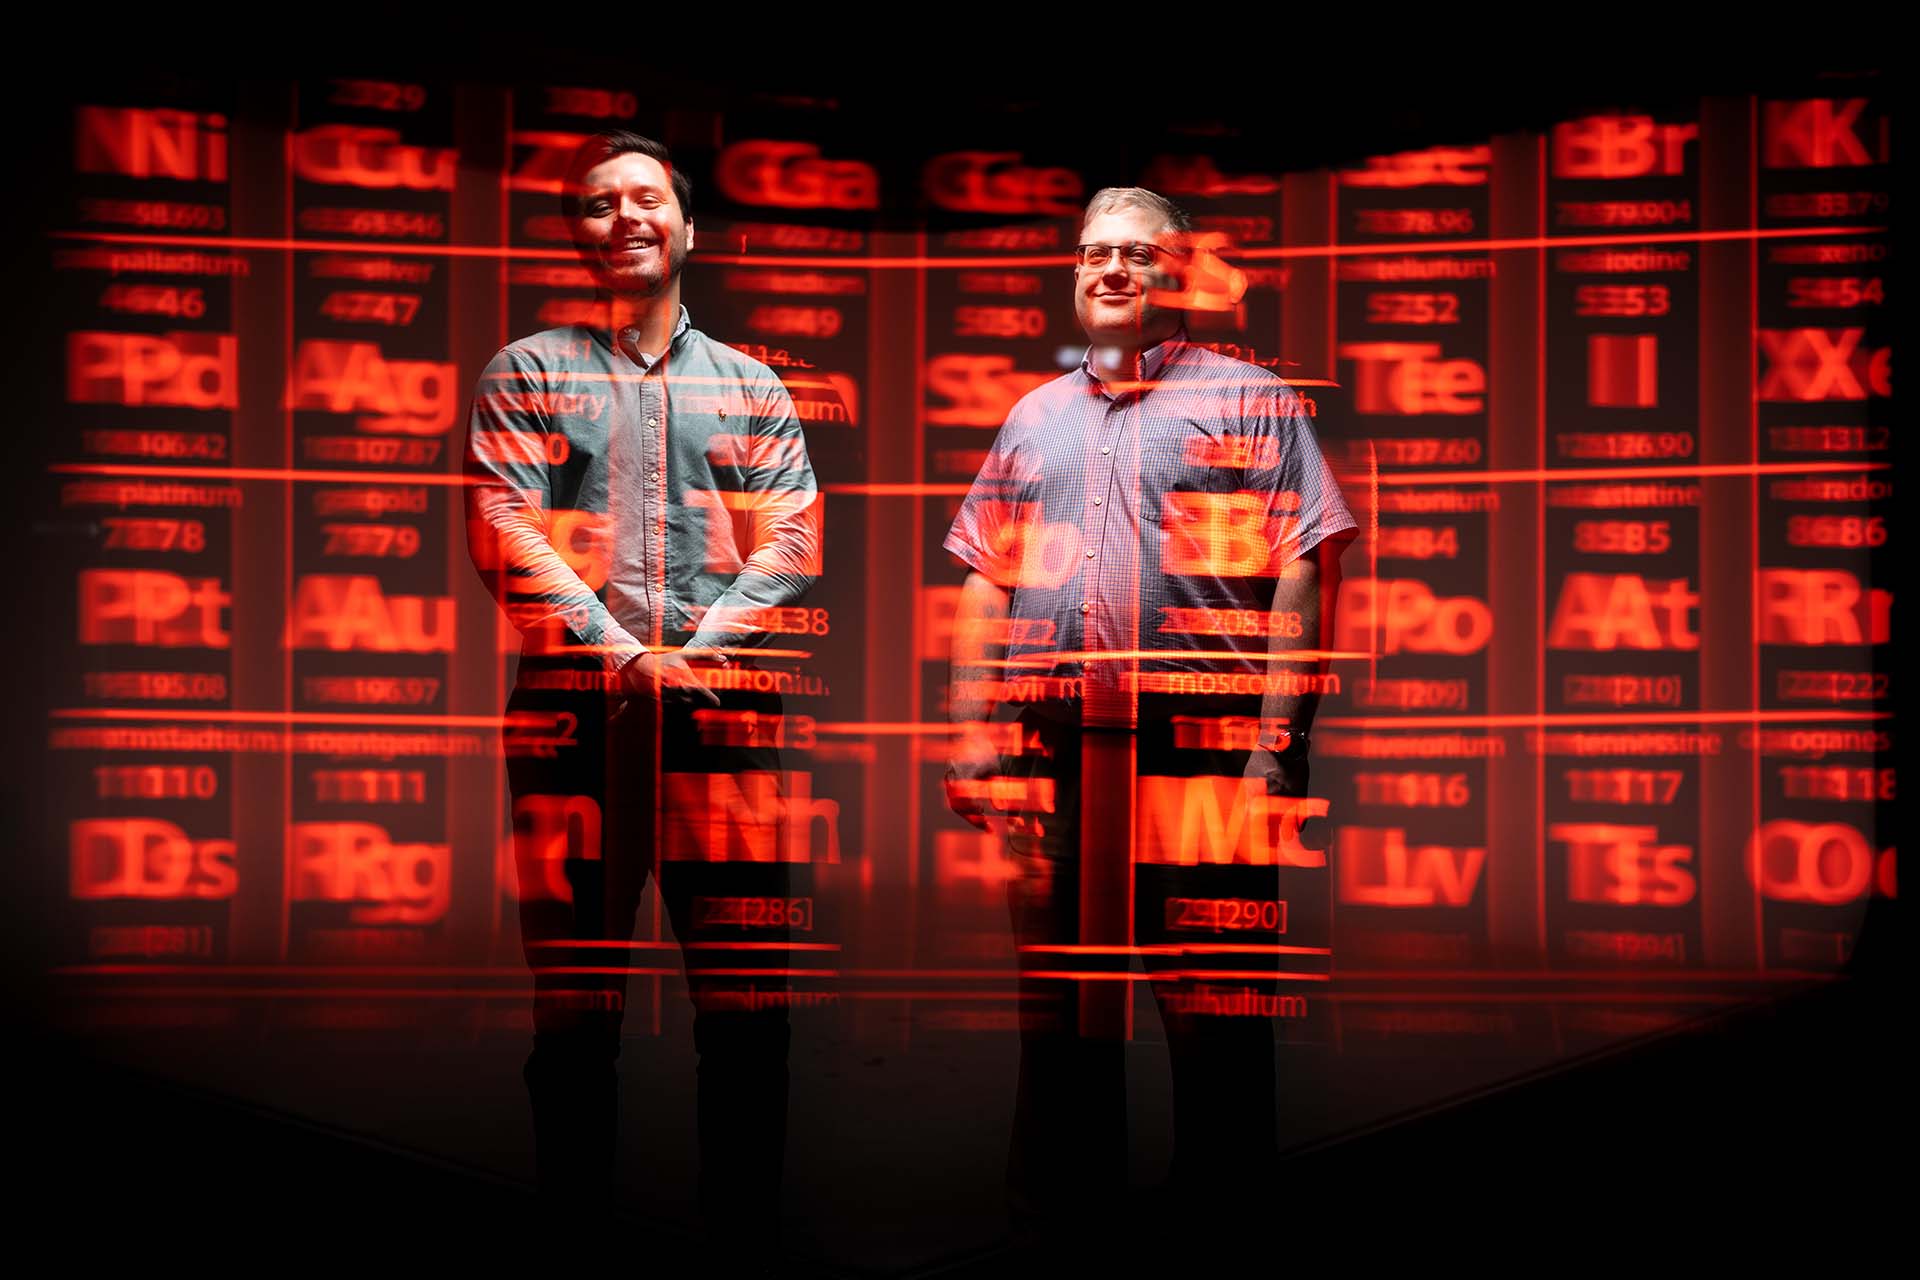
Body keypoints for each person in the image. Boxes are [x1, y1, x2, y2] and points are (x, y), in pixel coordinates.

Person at [942, 186, 1355, 1227]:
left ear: (1176, 273)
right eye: (1091, 253)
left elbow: (1306, 568)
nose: (1109, 270)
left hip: (1202, 757)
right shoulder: (1032, 415)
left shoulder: (1254, 398)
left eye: (1133, 253)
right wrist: (971, 734)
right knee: (1059, 1020)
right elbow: (985, 578)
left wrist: (1276, 742)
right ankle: (1054, 1220)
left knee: (1216, 1018)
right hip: (1056, 753)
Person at [463, 130, 820, 1237]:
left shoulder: (753, 384)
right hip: (572, 725)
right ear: (579, 235)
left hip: (727, 734)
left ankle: (744, 1235)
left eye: (644, 197)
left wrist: (697, 650)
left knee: (750, 1014)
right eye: (598, 202)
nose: (623, 214)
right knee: (574, 1015)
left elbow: (793, 536)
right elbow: (501, 523)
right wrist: (624, 656)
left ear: (688, 226)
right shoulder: (526, 370)